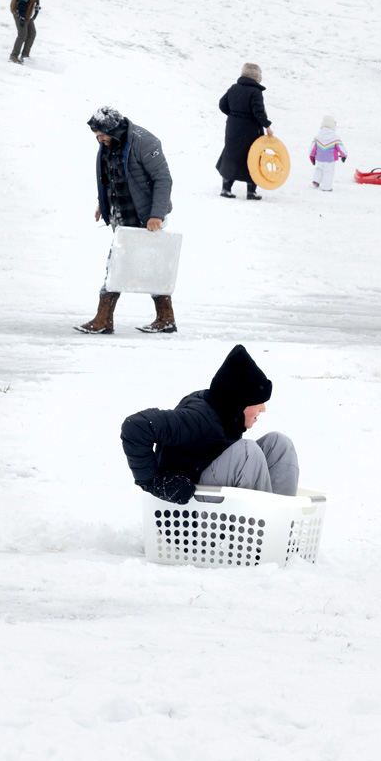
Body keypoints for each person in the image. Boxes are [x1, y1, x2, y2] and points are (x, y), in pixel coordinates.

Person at [120, 344, 300, 505]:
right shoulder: (198, 418)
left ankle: (280, 523)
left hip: (209, 497)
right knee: (247, 452)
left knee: (279, 443)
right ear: (240, 402)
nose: (263, 409)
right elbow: (135, 426)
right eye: (258, 402)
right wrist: (154, 482)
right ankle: (261, 529)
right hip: (186, 514)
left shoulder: (227, 412)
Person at [76, 106, 176, 335]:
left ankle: (104, 320)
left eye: (102, 135)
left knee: (118, 267)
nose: (100, 140)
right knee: (146, 267)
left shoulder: (144, 142)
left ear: (113, 129)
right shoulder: (107, 145)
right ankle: (165, 318)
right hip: (122, 217)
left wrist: (156, 215)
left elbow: (163, 180)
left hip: (147, 217)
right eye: (97, 137)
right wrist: (103, 203)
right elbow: (110, 177)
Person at [215, 62, 272, 199]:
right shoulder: (255, 92)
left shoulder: (234, 88)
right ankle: (251, 192)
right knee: (253, 155)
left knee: (231, 154)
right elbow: (258, 111)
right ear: (257, 77)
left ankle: (226, 189)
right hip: (250, 128)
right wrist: (267, 126)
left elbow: (222, 104)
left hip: (233, 126)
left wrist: (233, 115)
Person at [9, 0, 48, 64]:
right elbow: (21, 2)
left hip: (27, 13)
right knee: (22, 34)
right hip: (20, 12)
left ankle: (25, 56)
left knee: (32, 33)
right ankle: (13, 56)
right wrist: (21, 17)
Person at [309, 115, 347, 192]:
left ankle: (316, 181)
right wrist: (344, 155)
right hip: (330, 160)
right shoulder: (335, 138)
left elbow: (312, 148)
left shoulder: (317, 137)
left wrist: (311, 156)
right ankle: (326, 187)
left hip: (319, 158)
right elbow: (341, 148)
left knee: (319, 169)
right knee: (328, 172)